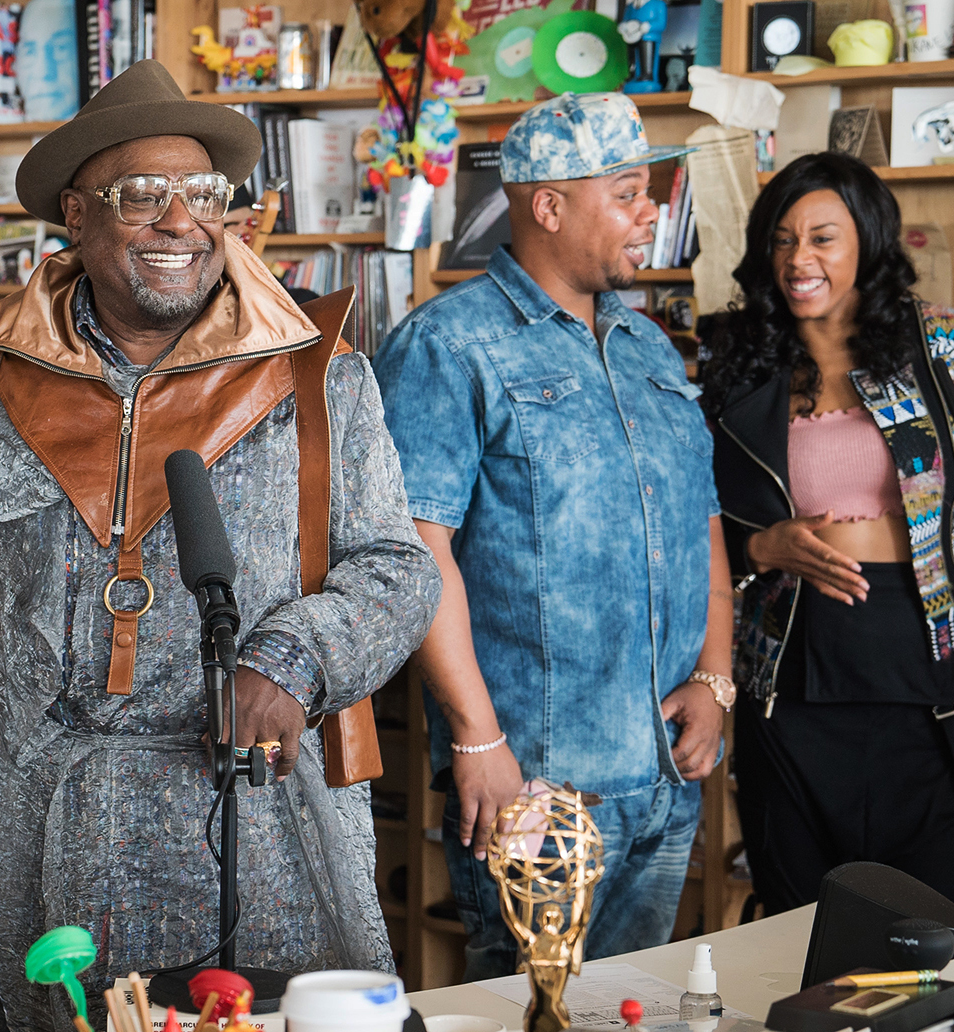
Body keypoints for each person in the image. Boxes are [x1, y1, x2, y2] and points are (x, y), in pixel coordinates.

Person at [0, 59, 440, 1030]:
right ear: (76, 214)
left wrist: (289, 659)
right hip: (45, 834)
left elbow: (396, 570)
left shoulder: (315, 376)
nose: (182, 221)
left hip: (254, 825)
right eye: (141, 195)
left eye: (204, 194)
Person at [373, 92, 734, 979]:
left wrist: (714, 679)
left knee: (625, 1005)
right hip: (536, 788)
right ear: (548, 205)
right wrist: (476, 740)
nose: (650, 214)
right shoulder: (444, 346)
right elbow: (418, 555)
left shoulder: (649, 346)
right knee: (534, 1009)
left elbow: (701, 521)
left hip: (663, 777)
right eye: (627, 192)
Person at [701, 151, 954, 912]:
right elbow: (699, 517)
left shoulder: (935, 351)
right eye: (781, 240)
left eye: (821, 238)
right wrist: (759, 547)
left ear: (867, 245)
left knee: (927, 917)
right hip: (788, 669)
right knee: (798, 914)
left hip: (919, 660)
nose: (797, 260)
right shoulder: (738, 365)